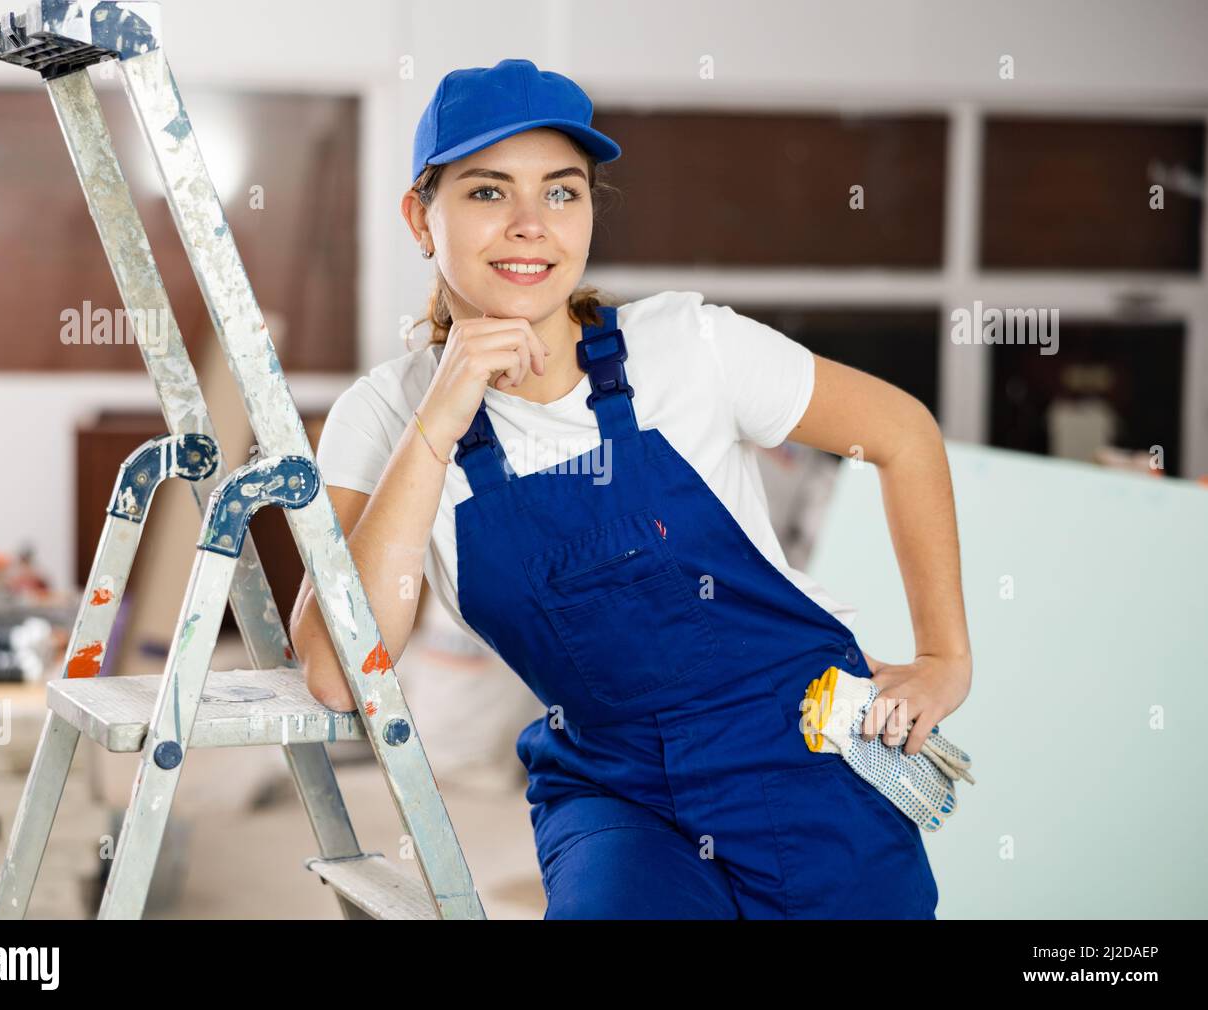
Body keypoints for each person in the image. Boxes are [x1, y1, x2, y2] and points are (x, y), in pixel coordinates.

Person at [289, 58, 972, 919]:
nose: (531, 225)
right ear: (421, 217)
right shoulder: (383, 412)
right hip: (617, 793)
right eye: (489, 192)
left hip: (805, 766)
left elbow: (903, 432)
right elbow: (335, 673)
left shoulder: (688, 347)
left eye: (563, 193)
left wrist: (945, 659)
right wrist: (438, 421)